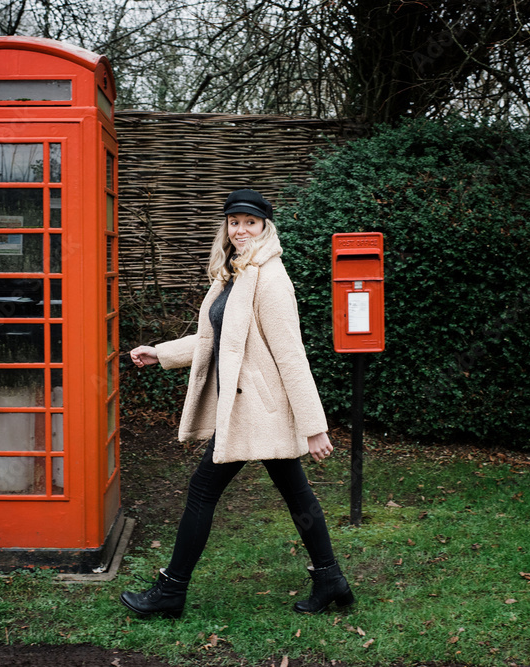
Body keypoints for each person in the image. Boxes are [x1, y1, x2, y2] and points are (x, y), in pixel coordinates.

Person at [120, 188, 354, 619]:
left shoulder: (270, 278)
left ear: (266, 225)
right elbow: (214, 341)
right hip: (249, 409)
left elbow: (291, 355)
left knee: (202, 490)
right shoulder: (232, 274)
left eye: (250, 221)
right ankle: (330, 578)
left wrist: (313, 425)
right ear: (225, 228)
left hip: (258, 411)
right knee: (297, 496)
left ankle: (171, 591)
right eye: (234, 222)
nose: (241, 229)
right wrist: (162, 352)